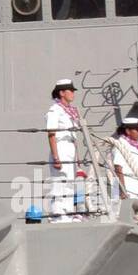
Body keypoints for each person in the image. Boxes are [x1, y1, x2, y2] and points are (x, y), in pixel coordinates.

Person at [45, 79, 80, 221]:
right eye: (70, 91)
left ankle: (69, 212)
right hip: (60, 147)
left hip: (70, 148)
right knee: (60, 182)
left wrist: (77, 158)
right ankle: (58, 214)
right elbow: (51, 134)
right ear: (61, 93)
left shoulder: (70, 112)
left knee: (70, 182)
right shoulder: (55, 110)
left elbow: (74, 136)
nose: (73, 93)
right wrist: (56, 157)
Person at [112, 115, 138, 218]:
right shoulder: (120, 145)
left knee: (135, 215)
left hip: (136, 184)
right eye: (136, 130)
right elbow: (118, 168)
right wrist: (123, 190)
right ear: (127, 131)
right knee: (123, 215)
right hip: (126, 184)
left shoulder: (135, 147)